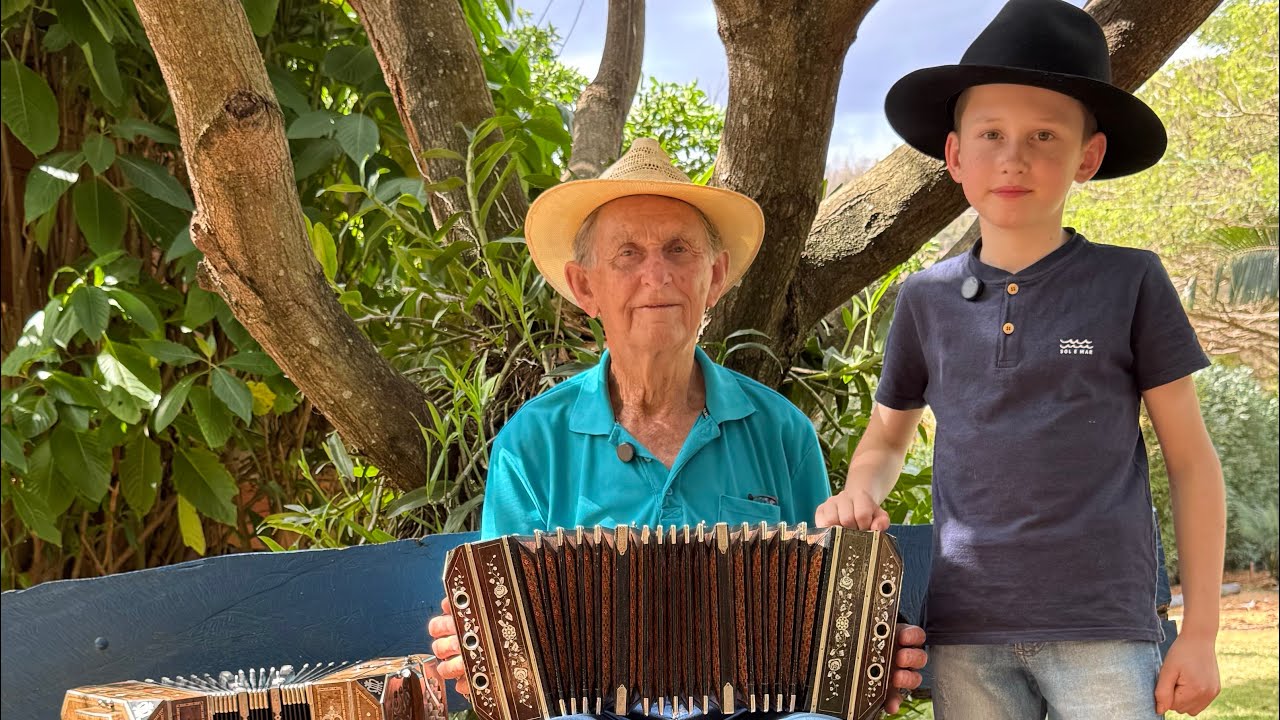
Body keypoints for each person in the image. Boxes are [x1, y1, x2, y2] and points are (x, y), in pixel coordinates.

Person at [815, 1, 1226, 718]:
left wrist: (1200, 633)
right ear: (955, 156)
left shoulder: (1130, 282)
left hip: (1103, 631)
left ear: (1087, 158)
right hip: (966, 630)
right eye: (992, 134)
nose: (1014, 156)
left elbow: (1192, 460)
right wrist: (861, 492)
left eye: (1044, 135)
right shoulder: (924, 299)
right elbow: (886, 436)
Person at [429, 138, 927, 716]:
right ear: (585, 286)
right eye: (628, 254)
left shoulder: (782, 431)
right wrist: (479, 651)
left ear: (713, 277)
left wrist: (871, 651)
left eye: (678, 250)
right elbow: (504, 643)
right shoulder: (532, 444)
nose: (657, 274)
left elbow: (822, 624)